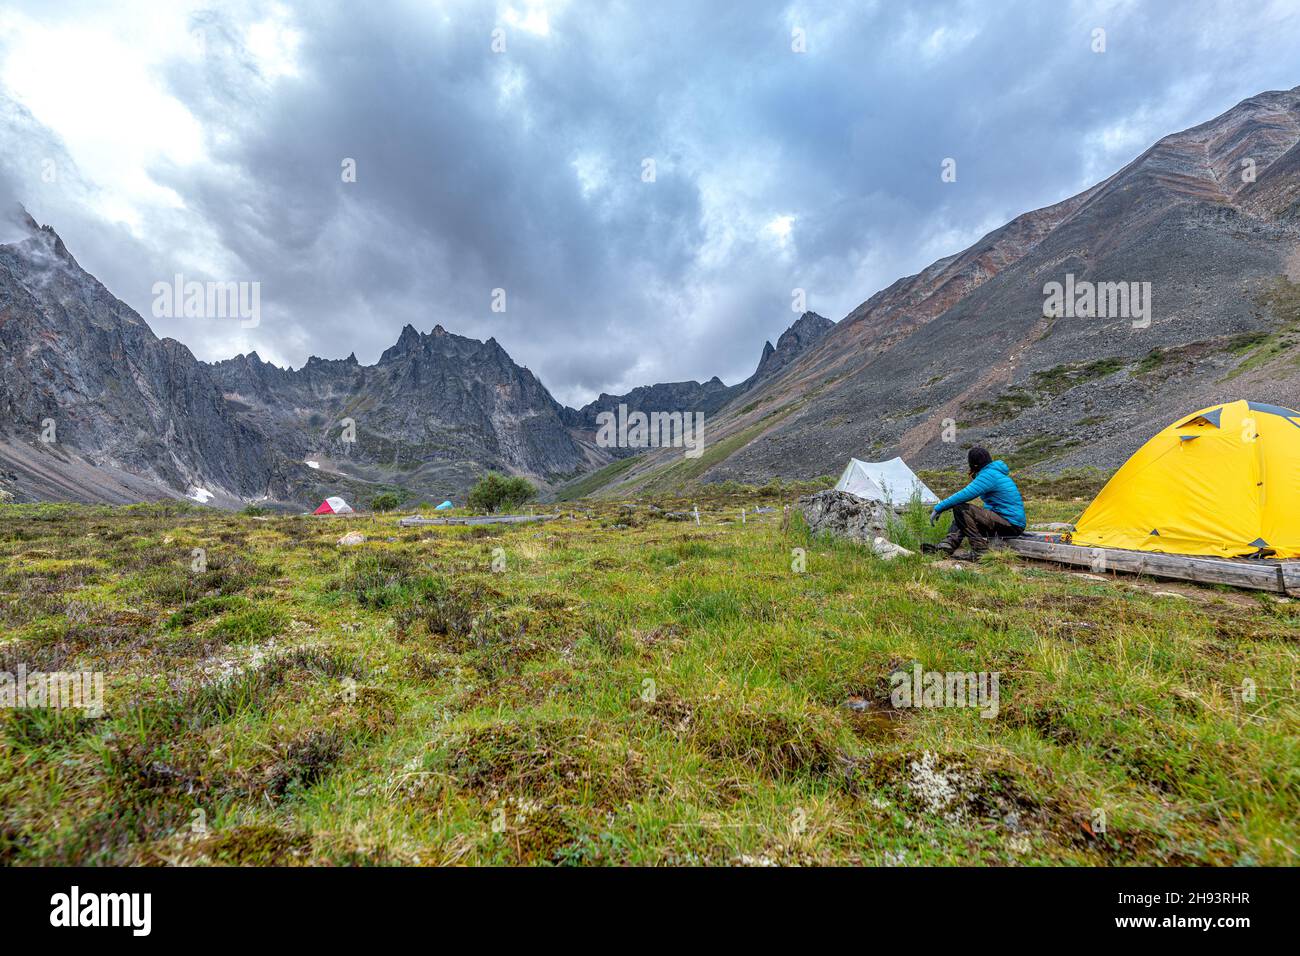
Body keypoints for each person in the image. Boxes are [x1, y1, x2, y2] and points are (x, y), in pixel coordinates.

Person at [924, 446, 1026, 559]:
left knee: (960, 508)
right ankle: (946, 546)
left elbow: (964, 494)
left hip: (1011, 525)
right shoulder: (993, 472)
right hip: (1007, 522)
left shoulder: (989, 475)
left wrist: (939, 508)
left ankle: (980, 551)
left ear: (974, 464)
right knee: (962, 516)